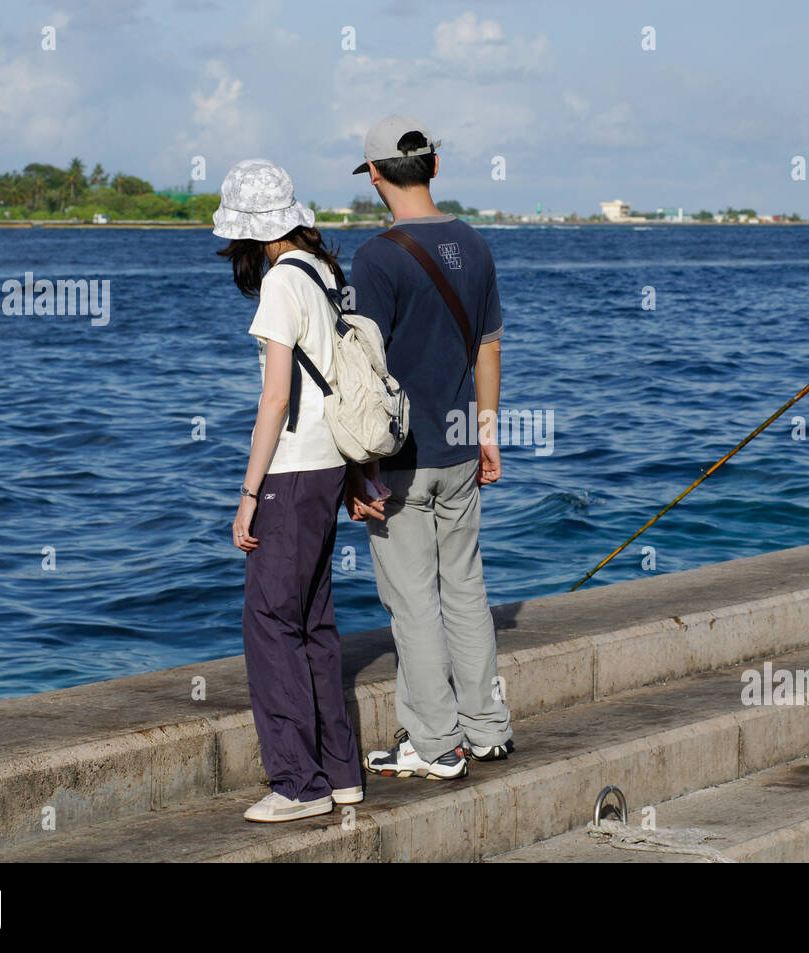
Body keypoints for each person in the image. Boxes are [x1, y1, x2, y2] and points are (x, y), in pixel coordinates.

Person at [344, 115, 514, 780]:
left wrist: (361, 471)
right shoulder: (475, 244)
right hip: (463, 447)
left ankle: (436, 744)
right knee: (466, 589)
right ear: (435, 168)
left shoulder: (376, 257)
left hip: (402, 459)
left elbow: (363, 369)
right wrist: (488, 431)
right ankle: (487, 728)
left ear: (377, 176)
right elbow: (489, 347)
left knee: (413, 600)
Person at [215, 158, 363, 820]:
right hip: (330, 465)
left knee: (270, 623)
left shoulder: (281, 282)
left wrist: (249, 492)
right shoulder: (326, 274)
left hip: (292, 470)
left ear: (250, 233)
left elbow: (276, 397)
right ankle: (341, 771)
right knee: (315, 621)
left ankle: (298, 785)